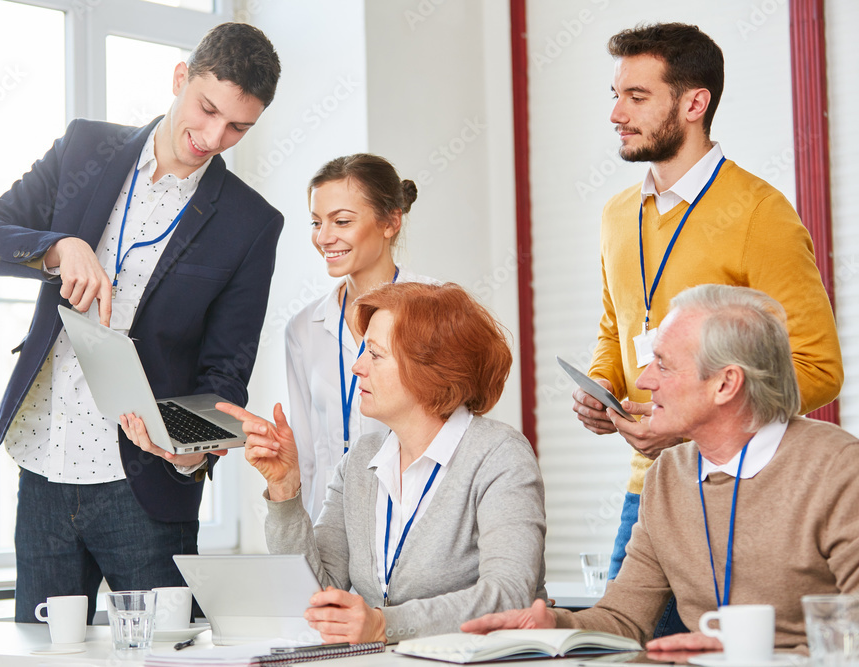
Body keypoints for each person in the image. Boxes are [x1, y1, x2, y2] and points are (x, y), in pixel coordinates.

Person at [0, 23, 282, 623]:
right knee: (46, 659)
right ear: (181, 78)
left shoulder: (251, 223)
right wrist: (58, 248)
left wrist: (184, 449)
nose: (214, 137)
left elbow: (226, 375)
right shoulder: (85, 149)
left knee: (167, 660)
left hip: (148, 489)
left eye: (238, 127)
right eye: (207, 110)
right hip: (44, 469)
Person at [572, 22, 843, 595]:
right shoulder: (617, 214)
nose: (617, 113)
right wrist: (601, 385)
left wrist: (696, 417)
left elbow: (819, 369)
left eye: (637, 97)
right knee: (623, 652)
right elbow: (615, 326)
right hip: (646, 491)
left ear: (695, 103)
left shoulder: (759, 214)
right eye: (615, 96)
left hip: (737, 492)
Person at [465, 284, 859, 653]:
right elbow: (622, 618)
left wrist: (750, 655)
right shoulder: (668, 474)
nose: (643, 380)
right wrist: (554, 624)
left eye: (663, 365)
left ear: (725, 384)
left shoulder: (839, 468)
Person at [213, 282, 547, 643]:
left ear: (430, 370)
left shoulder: (499, 454)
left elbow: (509, 594)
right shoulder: (361, 459)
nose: (357, 367)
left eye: (374, 354)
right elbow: (319, 595)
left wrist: (384, 624)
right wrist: (284, 489)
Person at [287, 154, 436, 520]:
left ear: (390, 222)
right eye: (316, 222)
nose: (323, 237)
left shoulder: (436, 308)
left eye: (341, 221)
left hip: (413, 524)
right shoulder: (303, 328)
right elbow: (307, 456)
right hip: (331, 529)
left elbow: (460, 440)